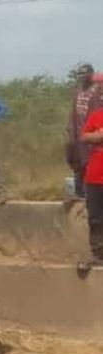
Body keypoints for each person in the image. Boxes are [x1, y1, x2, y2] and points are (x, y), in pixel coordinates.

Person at [67, 64, 103, 197]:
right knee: (77, 163)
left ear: (91, 75)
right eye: (79, 74)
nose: (81, 77)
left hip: (92, 133)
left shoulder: (97, 91)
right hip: (78, 132)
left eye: (84, 74)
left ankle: (88, 193)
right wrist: (70, 130)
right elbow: (73, 112)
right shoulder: (78, 91)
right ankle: (78, 193)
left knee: (89, 162)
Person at [79, 106, 103, 266]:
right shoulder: (97, 115)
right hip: (95, 177)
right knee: (95, 217)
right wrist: (99, 135)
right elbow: (84, 136)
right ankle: (97, 253)